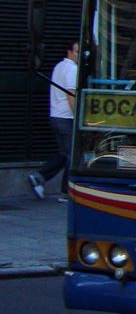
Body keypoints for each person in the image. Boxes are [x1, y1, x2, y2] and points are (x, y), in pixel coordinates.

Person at [28, 41, 78, 202]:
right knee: (72, 155)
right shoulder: (72, 69)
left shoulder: (59, 67)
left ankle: (39, 177)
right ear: (69, 52)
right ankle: (65, 192)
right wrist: (77, 115)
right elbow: (71, 94)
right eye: (77, 52)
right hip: (67, 117)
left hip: (56, 116)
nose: (79, 55)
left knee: (64, 152)